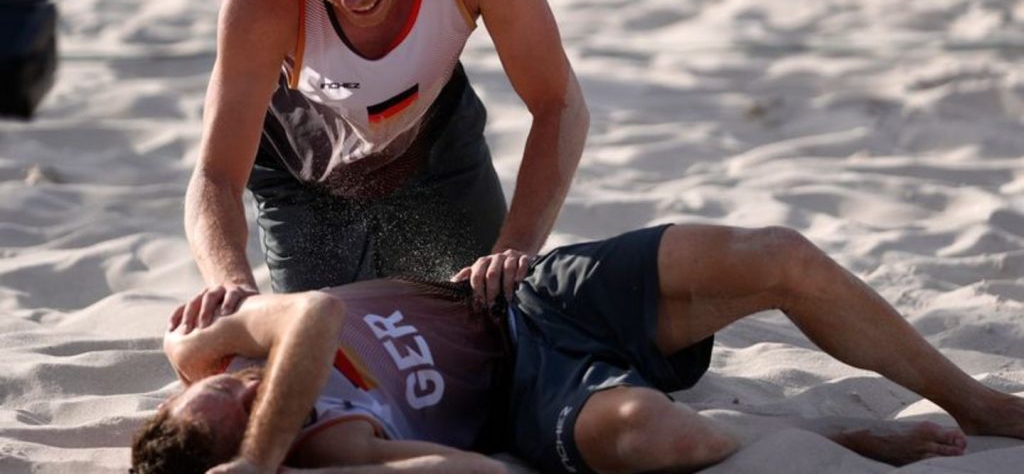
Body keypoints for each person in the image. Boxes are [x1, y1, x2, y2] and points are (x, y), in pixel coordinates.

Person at [134, 223, 1024, 474]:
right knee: (654, 435)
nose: (249, 385)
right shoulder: (329, 445)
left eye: (226, 387)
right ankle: (843, 438)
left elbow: (316, 315)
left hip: (521, 294)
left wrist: (243, 433)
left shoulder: (208, 352)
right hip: (534, 394)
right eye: (246, 409)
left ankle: (975, 402)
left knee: (780, 258)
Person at [179, 0, 589, 329]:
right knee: (327, 348)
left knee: (493, 316)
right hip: (306, 175)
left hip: (433, 143)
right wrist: (230, 285)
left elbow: (559, 104)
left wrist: (518, 246)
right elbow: (215, 176)